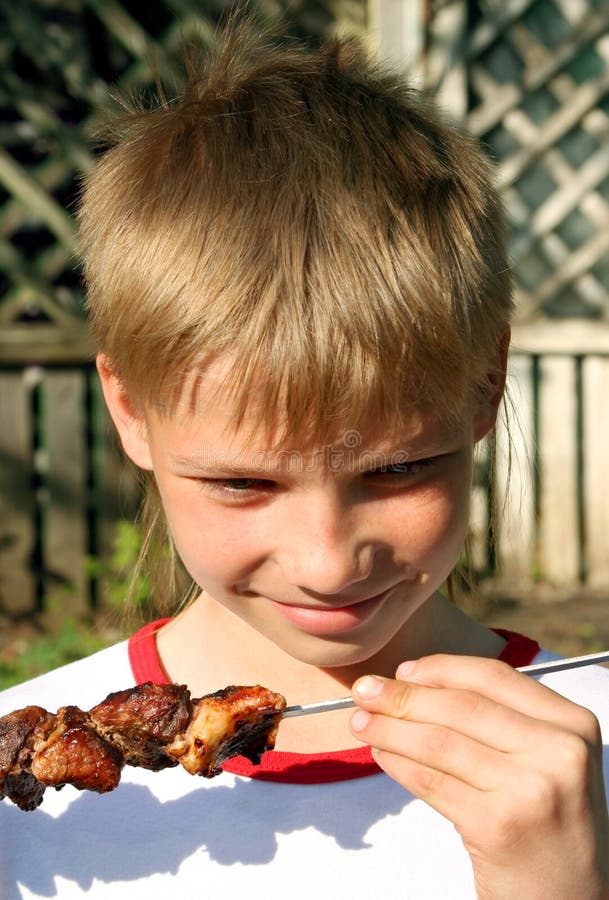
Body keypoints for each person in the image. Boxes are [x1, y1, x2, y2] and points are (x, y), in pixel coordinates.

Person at [1, 21, 608, 900]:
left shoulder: (583, 758)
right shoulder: (30, 813)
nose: (326, 564)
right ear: (129, 410)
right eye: (243, 483)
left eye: (396, 470)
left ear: (487, 388)